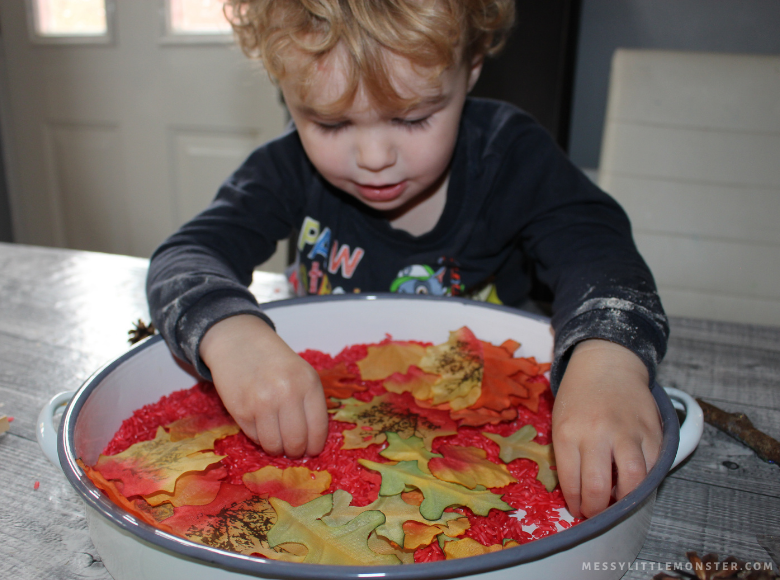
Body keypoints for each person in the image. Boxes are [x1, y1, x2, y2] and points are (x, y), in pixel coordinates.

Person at [147, 0, 669, 520]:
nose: (374, 157)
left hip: (479, 449)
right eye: (329, 123)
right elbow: (187, 256)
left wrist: (607, 365)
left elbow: (600, 254)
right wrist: (234, 337)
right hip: (330, 438)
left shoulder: (512, 157)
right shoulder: (284, 170)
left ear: (472, 68)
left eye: (413, 117)